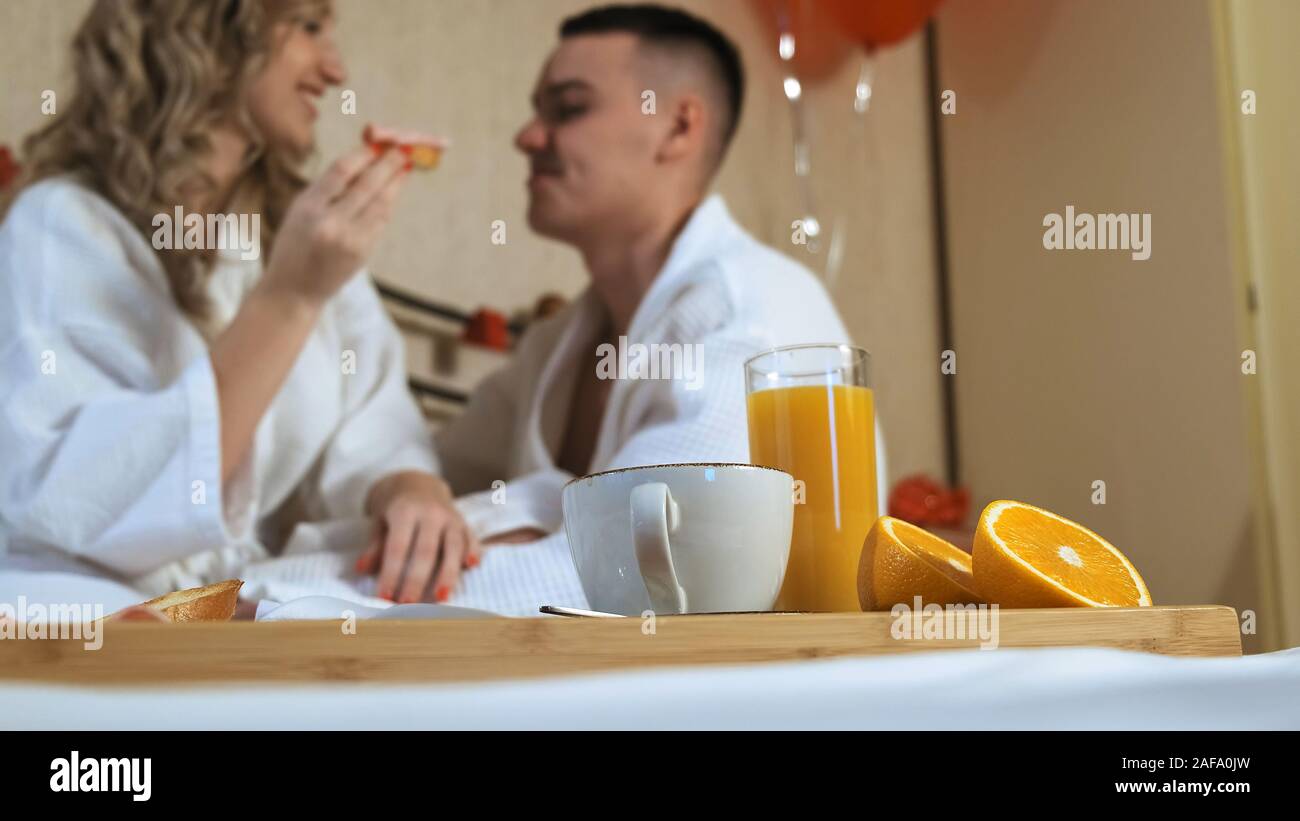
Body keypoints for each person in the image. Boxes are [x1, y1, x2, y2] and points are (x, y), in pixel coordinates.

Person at [0, 0, 479, 612]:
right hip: (88, 608)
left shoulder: (287, 233)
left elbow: (375, 416)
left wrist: (409, 490)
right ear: (207, 31)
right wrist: (289, 300)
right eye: (308, 28)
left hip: (251, 601)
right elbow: (80, 503)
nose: (336, 71)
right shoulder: (60, 226)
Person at [426, 4, 887, 547]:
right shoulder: (558, 344)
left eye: (569, 109)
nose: (527, 137)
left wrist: (501, 522)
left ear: (678, 127)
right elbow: (436, 472)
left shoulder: (751, 316)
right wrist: (410, 494)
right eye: (536, 112)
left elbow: (647, 568)